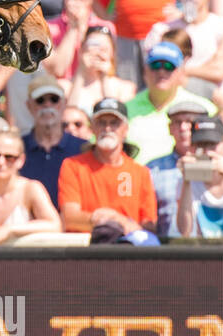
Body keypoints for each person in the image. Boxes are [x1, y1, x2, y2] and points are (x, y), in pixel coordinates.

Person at [58, 98, 158, 239]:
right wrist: (107, 221)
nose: (107, 128)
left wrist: (116, 219)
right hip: (86, 249)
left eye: (114, 123)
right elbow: (69, 218)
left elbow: (149, 226)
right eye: (101, 123)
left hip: (127, 248)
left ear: (125, 129)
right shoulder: (73, 166)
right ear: (92, 128)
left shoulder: (140, 172)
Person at [143, 0, 223, 100]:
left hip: (212, 104)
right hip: (170, 105)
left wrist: (175, 68)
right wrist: (203, 69)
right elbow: (151, 70)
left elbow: (220, 70)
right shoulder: (161, 30)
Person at [126, 41, 218, 165]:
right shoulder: (125, 109)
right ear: (145, 70)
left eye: (169, 66)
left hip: (188, 177)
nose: (161, 72)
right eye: (155, 65)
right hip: (135, 180)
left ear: (180, 72)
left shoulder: (202, 108)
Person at [19, 74, 85, 208]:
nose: (47, 105)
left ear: (64, 103)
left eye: (54, 99)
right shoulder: (15, 149)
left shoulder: (83, 148)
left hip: (73, 225)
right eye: (40, 100)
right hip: (28, 226)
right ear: (28, 105)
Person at [145, 98, 208, 237]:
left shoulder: (219, 164)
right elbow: (147, 218)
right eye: (178, 122)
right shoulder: (152, 169)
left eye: (190, 122)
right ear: (169, 128)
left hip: (214, 250)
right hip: (167, 251)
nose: (183, 127)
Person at [42, 0, 116, 83]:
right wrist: (73, 27)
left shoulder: (106, 28)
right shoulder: (47, 28)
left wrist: (81, 25)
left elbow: (108, 69)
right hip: (61, 93)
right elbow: (58, 70)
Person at [66, 25, 137, 118]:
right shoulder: (66, 87)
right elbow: (68, 119)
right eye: (92, 44)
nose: (97, 52)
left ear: (113, 52)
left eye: (104, 48)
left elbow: (117, 120)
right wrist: (81, 72)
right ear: (81, 50)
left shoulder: (126, 88)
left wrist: (105, 78)